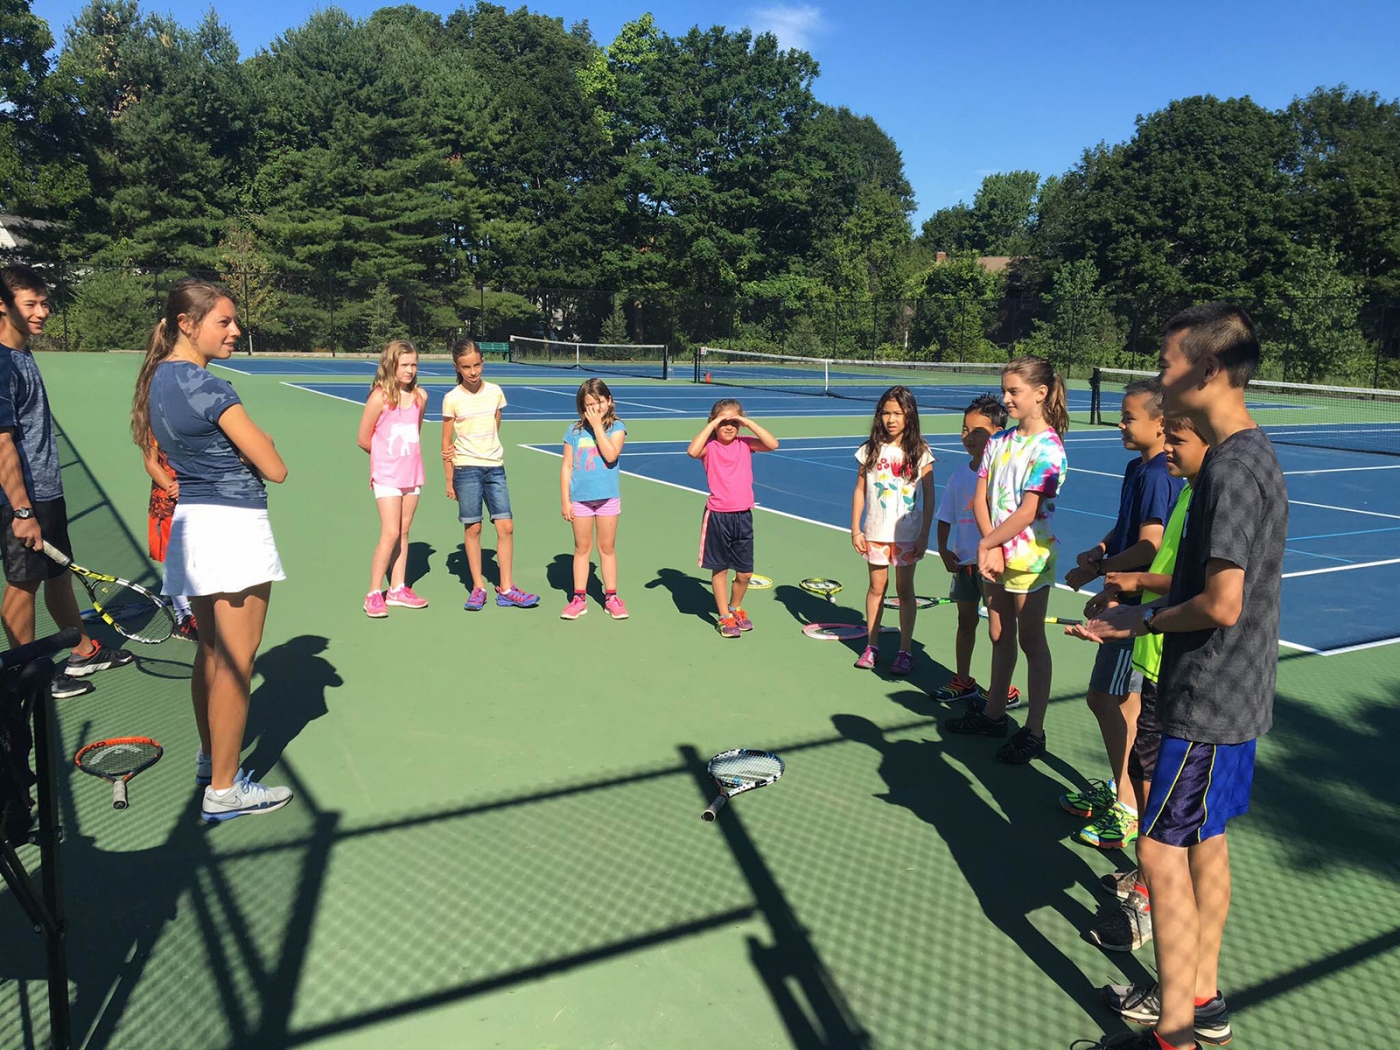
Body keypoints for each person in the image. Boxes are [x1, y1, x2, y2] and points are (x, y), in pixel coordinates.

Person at [1071, 304, 1285, 1050]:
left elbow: (1222, 604)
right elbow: (1208, 581)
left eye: (1167, 364)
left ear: (1209, 372)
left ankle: (1175, 1034)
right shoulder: (1253, 455)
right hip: (1238, 699)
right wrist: (1140, 594)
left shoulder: (1227, 469)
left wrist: (1142, 623)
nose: (1162, 378)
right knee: (1207, 843)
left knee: (1160, 855)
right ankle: (1200, 997)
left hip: (1202, 700)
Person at [132, 277, 292, 822]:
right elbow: (274, 465)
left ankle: (211, 760)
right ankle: (224, 789)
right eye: (223, 321)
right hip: (232, 526)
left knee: (211, 653)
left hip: (192, 526)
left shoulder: (155, 380)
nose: (235, 330)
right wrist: (261, 446)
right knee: (237, 660)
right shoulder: (210, 388)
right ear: (186, 324)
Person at [1081, 415, 1209, 957]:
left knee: (1173, 822)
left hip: (1180, 678)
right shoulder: (1183, 492)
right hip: (1157, 662)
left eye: (1177, 439)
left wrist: (1131, 588)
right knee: (1154, 793)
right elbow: (1177, 577)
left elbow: (1208, 593)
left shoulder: (1198, 492)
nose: (1169, 451)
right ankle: (1142, 881)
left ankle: (1148, 911)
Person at [0, 263, 133, 699]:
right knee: (23, 586)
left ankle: (82, 650)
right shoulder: (3, 363)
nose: (42, 312)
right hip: (22, 498)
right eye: (31, 304)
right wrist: (22, 511)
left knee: (57, 575)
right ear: (4, 306)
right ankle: (28, 674)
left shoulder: (22, 353)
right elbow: (1, 445)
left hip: (45, 491)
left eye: (45, 303)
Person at [1061, 378, 1182, 849]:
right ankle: (1122, 788)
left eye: (1129, 416)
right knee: (1112, 701)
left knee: (1114, 702)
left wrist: (1106, 575)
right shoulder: (1138, 469)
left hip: (1138, 608)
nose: (1120, 422)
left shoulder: (1158, 474)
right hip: (1125, 599)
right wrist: (1098, 554)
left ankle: (1129, 805)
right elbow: (1126, 528)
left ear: (1160, 423)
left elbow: (1150, 545)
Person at [944, 355, 1068, 764]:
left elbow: (1028, 511)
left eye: (1014, 391)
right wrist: (991, 544)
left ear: (1041, 394)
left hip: (1030, 559)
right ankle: (995, 713)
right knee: (1000, 635)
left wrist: (989, 545)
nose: (1006, 398)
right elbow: (981, 498)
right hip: (996, 555)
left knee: (1032, 641)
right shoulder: (997, 441)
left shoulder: (1049, 448)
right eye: (1005, 390)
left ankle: (1034, 730)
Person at [930, 394, 1021, 709]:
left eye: (977, 431)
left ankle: (1002, 688)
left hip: (994, 567)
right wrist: (942, 550)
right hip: (965, 566)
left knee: (999, 630)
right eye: (964, 430)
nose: (968, 437)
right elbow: (945, 517)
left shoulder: (1006, 475)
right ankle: (963, 680)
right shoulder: (959, 475)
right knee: (965, 622)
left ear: (997, 432)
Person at [441, 339, 537, 611]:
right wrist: (449, 479)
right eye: (466, 367)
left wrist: (488, 450)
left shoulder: (495, 392)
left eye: (476, 365)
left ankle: (506, 588)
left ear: (483, 363)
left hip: (495, 467)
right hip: (466, 469)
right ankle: (478, 587)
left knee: (505, 526)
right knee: (474, 528)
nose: (472, 371)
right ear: (457, 367)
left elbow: (495, 424)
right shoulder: (452, 399)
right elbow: (446, 444)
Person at [849, 386, 934, 674]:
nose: (891, 419)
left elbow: (930, 497)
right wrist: (855, 528)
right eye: (886, 413)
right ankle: (871, 646)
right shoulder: (869, 450)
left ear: (909, 415)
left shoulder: (920, 451)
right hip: (874, 532)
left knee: (904, 590)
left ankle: (905, 650)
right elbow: (860, 490)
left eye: (898, 413)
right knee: (876, 588)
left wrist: (924, 535)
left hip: (907, 536)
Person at [686, 398, 779, 638]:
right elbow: (692, 451)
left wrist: (746, 422)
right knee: (720, 570)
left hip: (743, 516)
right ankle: (724, 616)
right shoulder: (710, 447)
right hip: (718, 516)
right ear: (714, 423)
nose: (729, 426)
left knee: (745, 573)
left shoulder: (745, 444)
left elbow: (773, 444)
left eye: (733, 422)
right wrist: (713, 423)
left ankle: (735, 607)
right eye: (723, 422)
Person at [358, 339, 428, 618]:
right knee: (390, 532)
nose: (410, 370)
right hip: (387, 475)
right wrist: (382, 464)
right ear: (391, 365)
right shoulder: (379, 398)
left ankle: (397, 588)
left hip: (412, 475)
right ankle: (374, 592)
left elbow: (415, 433)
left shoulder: (421, 397)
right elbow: (364, 439)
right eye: (405, 365)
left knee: (404, 531)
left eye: (414, 365)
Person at [559, 378, 628, 620]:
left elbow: (610, 455)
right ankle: (579, 598)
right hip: (580, 500)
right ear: (581, 408)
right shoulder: (574, 431)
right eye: (589, 405)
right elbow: (567, 466)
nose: (594, 409)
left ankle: (611, 597)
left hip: (608, 498)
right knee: (582, 548)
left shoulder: (617, 428)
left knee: (606, 548)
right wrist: (566, 500)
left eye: (599, 403)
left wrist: (598, 426)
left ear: (609, 402)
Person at [143, 441, 198, 641]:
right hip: (168, 502)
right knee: (174, 559)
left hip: (200, 492)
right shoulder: (151, 418)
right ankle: (184, 618)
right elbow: (151, 463)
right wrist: (174, 488)